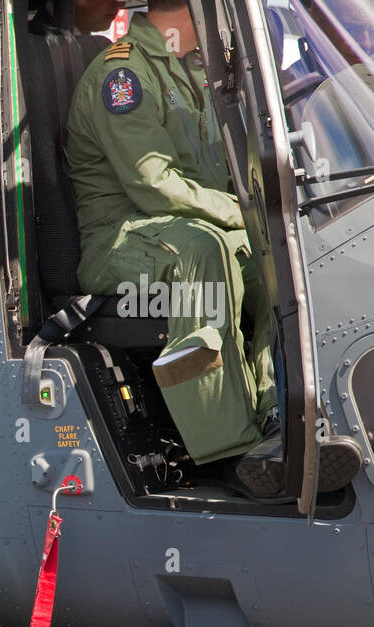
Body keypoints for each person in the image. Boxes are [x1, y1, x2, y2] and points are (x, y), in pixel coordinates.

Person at [65, 0, 360, 499]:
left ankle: (276, 415)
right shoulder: (123, 75)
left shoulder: (190, 70)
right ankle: (226, 450)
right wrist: (242, 211)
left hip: (175, 228)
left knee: (269, 253)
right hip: (119, 241)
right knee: (205, 251)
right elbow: (152, 184)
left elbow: (215, 172)